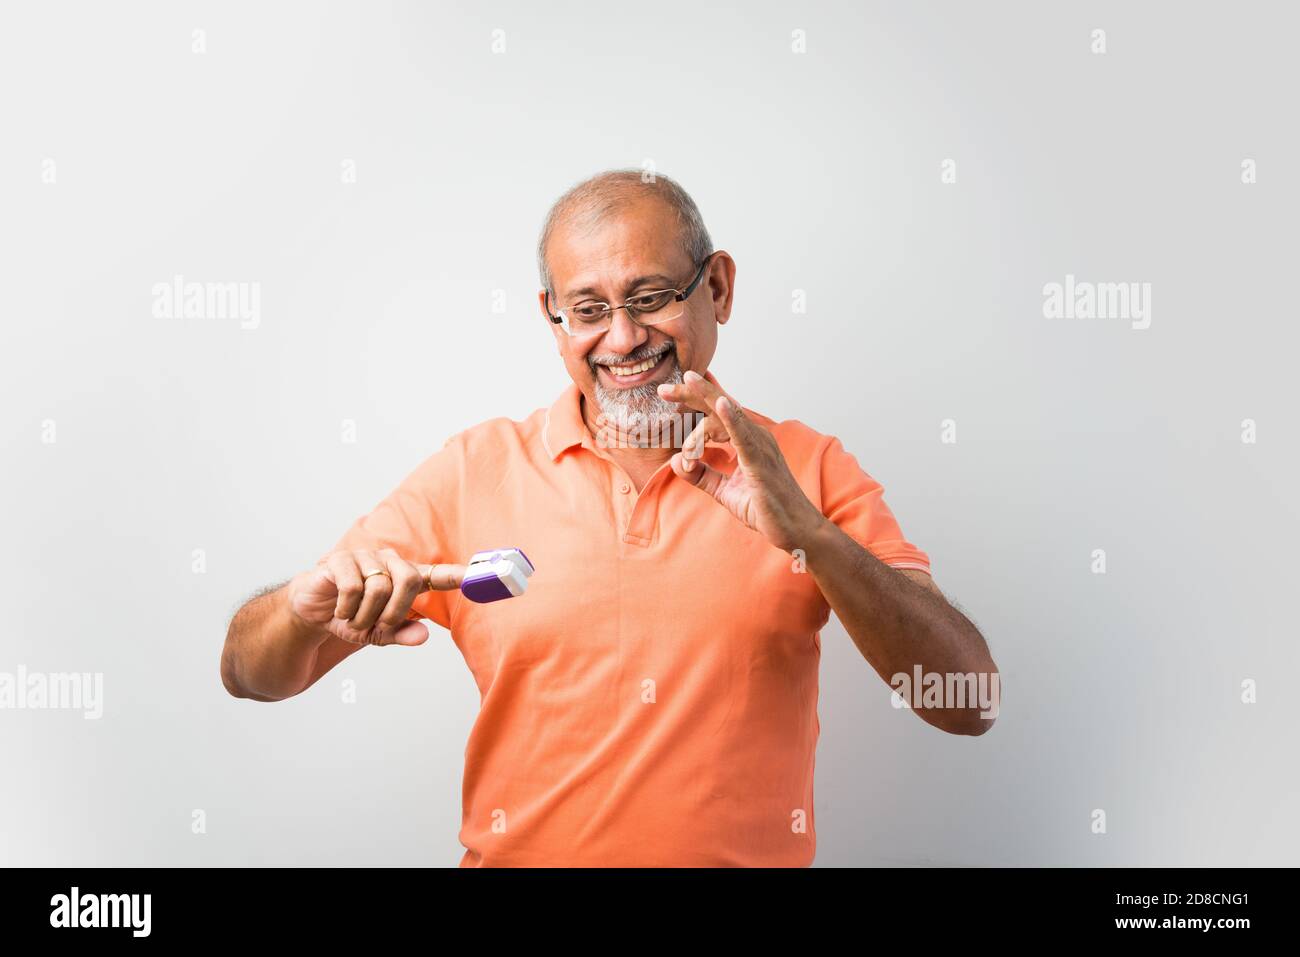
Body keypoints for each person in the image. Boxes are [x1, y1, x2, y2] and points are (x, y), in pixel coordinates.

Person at [220, 169, 1000, 867]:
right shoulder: (473, 471)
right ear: (551, 316)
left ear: (718, 287)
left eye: (651, 297)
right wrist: (297, 610)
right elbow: (249, 674)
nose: (622, 337)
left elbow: (969, 702)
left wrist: (814, 539)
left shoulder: (808, 466)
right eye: (588, 308)